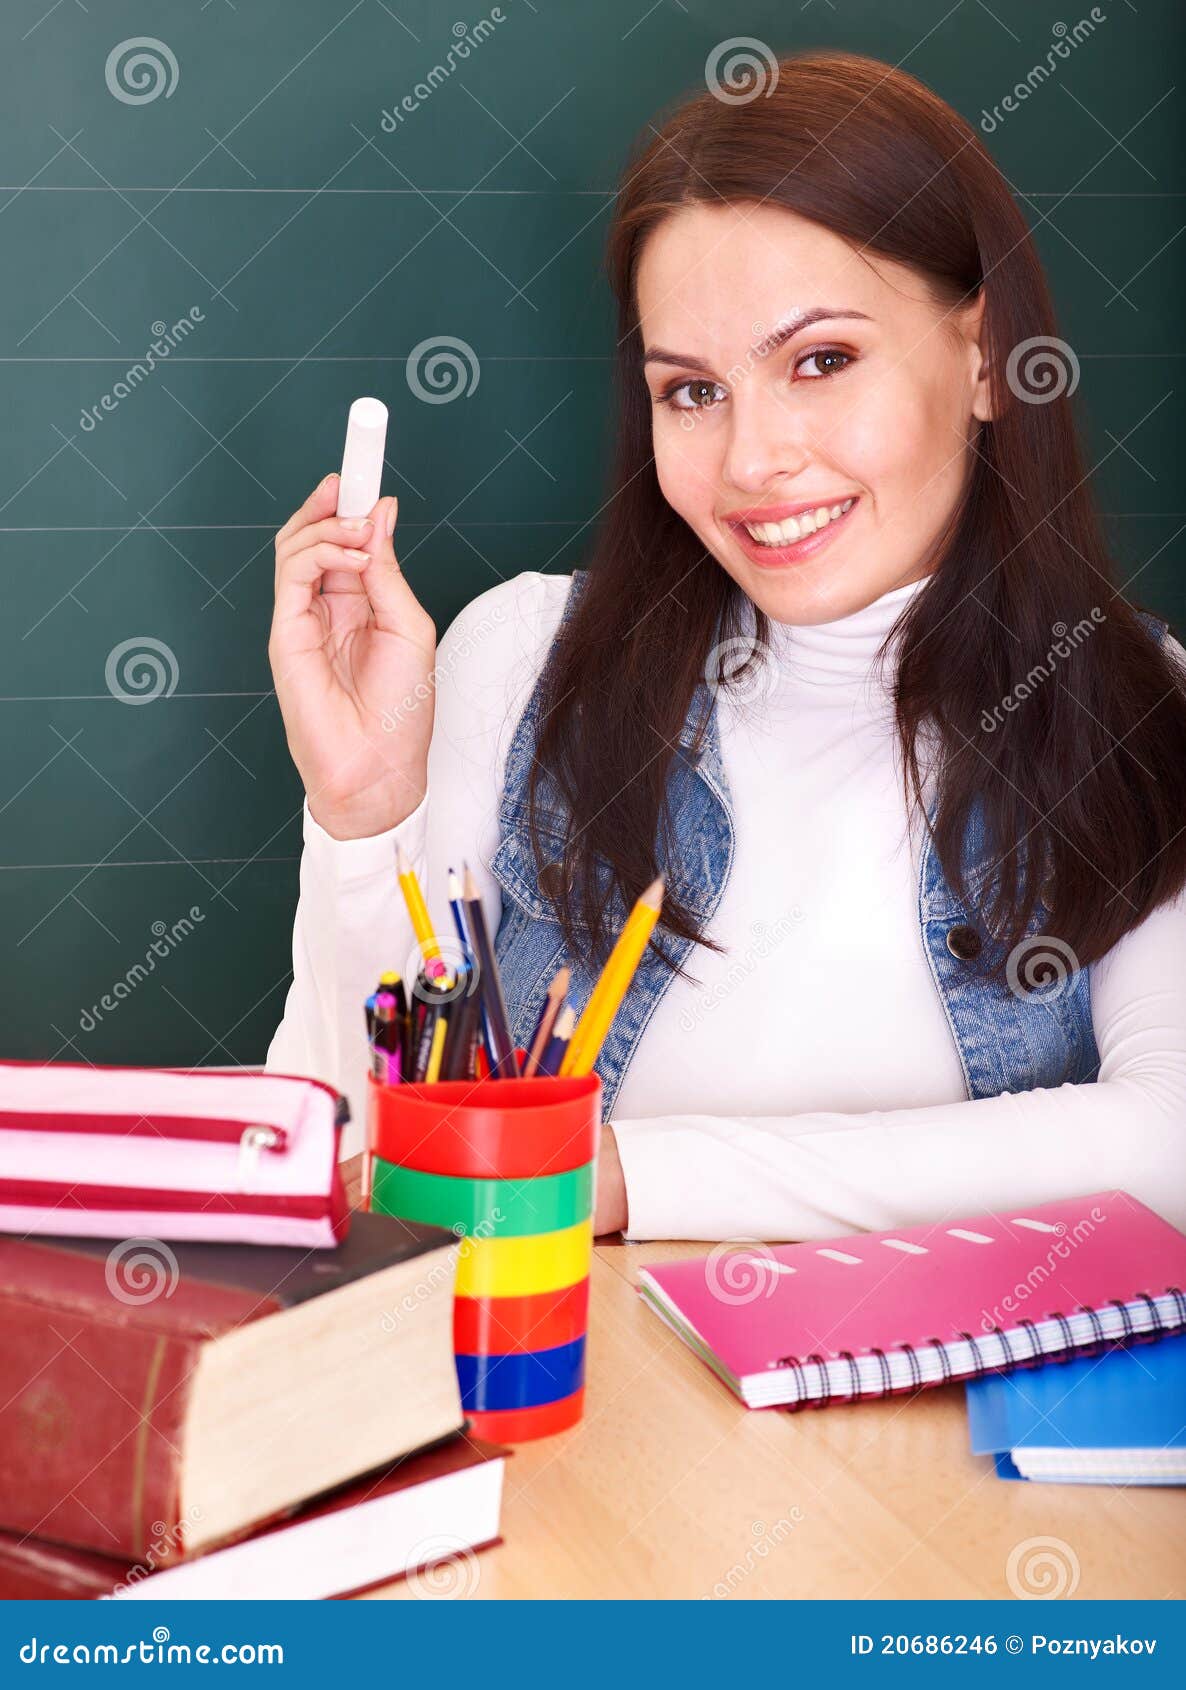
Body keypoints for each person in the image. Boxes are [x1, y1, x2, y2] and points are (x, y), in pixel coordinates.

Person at [265, 51, 1186, 1241]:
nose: (752, 463)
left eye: (820, 361)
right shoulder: (516, 658)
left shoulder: (1128, 701)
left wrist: (625, 1178)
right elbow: (350, 1151)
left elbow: (1166, 1146)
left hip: (921, 1428)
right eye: (691, 391)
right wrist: (362, 813)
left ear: (984, 355)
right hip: (581, 1416)